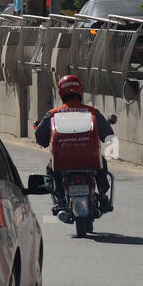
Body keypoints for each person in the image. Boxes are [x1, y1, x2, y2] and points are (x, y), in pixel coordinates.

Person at [34, 74, 114, 212]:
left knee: (51, 168)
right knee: (102, 162)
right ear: (80, 90)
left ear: (61, 92)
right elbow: (108, 135)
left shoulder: (53, 113)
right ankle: (102, 195)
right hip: (90, 159)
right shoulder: (92, 112)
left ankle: (60, 199)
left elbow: (40, 137)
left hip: (62, 161)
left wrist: (44, 140)